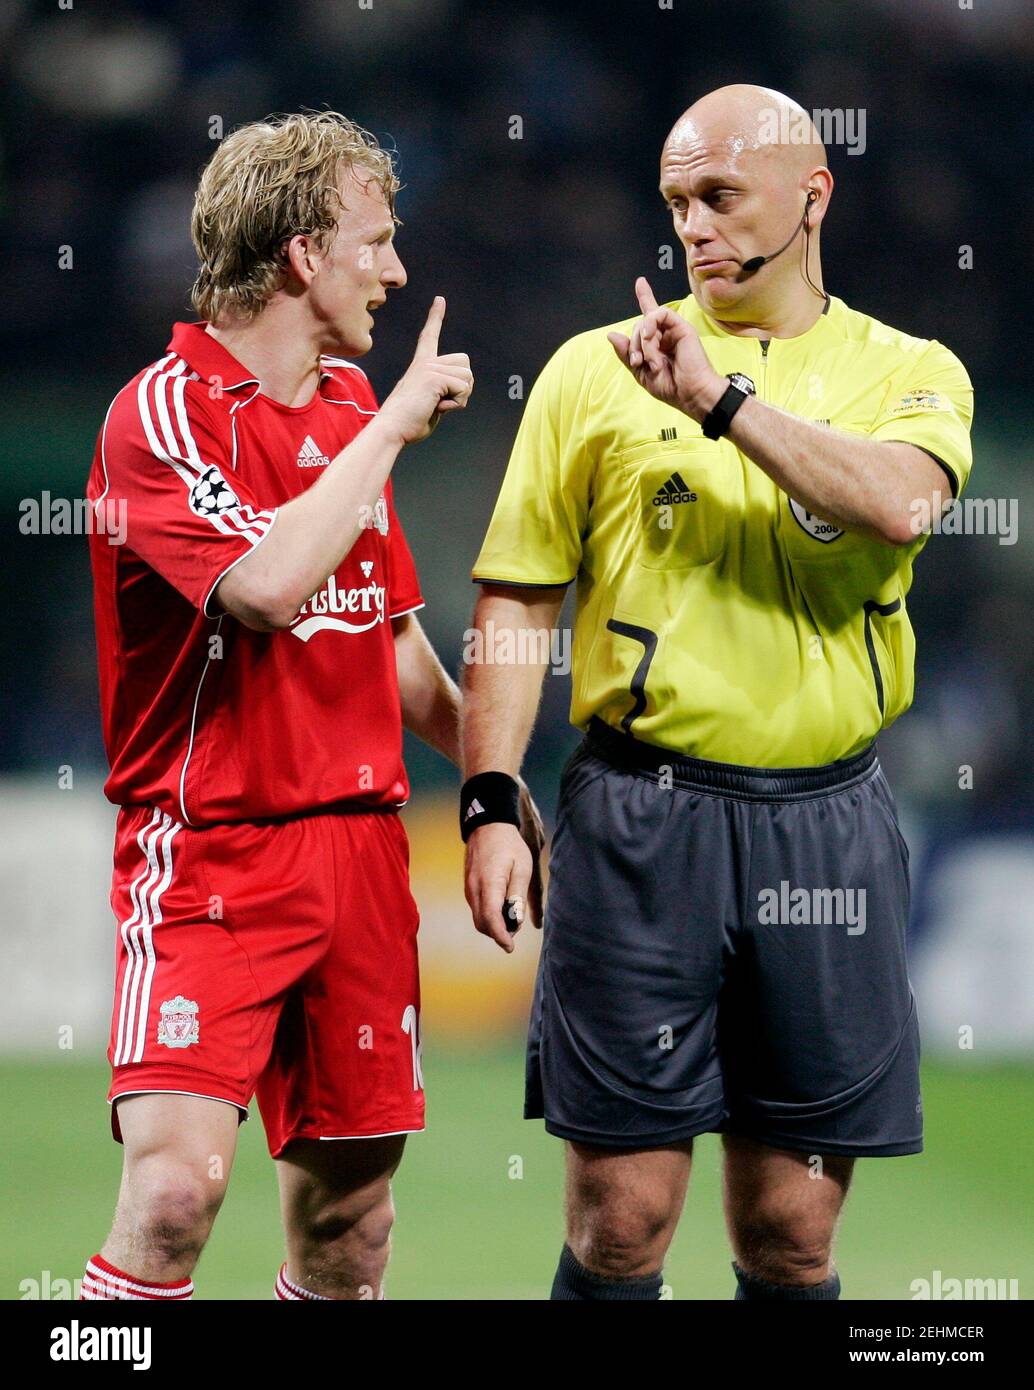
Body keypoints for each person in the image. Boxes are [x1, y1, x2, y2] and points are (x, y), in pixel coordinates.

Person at [460, 84, 973, 1301]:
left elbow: (901, 502)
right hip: (641, 821)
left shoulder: (907, 368)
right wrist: (487, 793)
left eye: (717, 196)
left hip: (824, 824)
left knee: (790, 1228)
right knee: (620, 1218)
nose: (689, 224)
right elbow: (519, 597)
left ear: (812, 196)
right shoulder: (591, 372)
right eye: (674, 201)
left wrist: (720, 404)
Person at [81, 110, 475, 1301]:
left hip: (357, 855)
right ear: (303, 253)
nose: (396, 269)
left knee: (351, 1229)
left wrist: (499, 785)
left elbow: (392, 647)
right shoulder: (158, 415)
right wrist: (395, 427)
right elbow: (260, 587)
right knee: (172, 1195)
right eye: (377, 239)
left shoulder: (352, 407)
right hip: (211, 859)